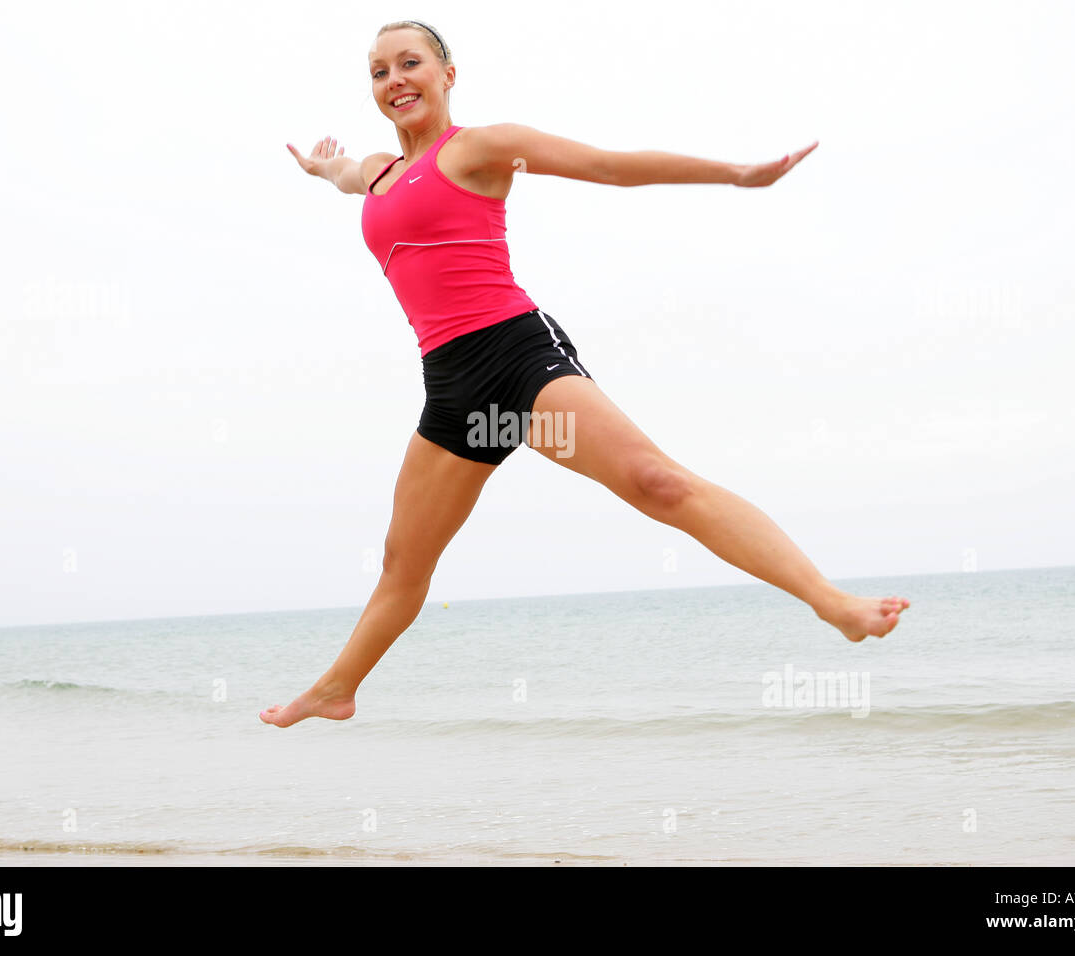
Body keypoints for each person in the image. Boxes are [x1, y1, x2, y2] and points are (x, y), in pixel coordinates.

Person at [261, 20, 909, 728]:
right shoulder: (379, 170)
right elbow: (343, 176)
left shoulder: (479, 147)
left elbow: (607, 165)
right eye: (379, 71)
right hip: (452, 390)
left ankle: (831, 602)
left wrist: (736, 174)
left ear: (449, 73)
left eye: (410, 63)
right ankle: (336, 690)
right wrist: (321, 165)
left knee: (656, 482)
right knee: (402, 565)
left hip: (517, 361)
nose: (394, 81)